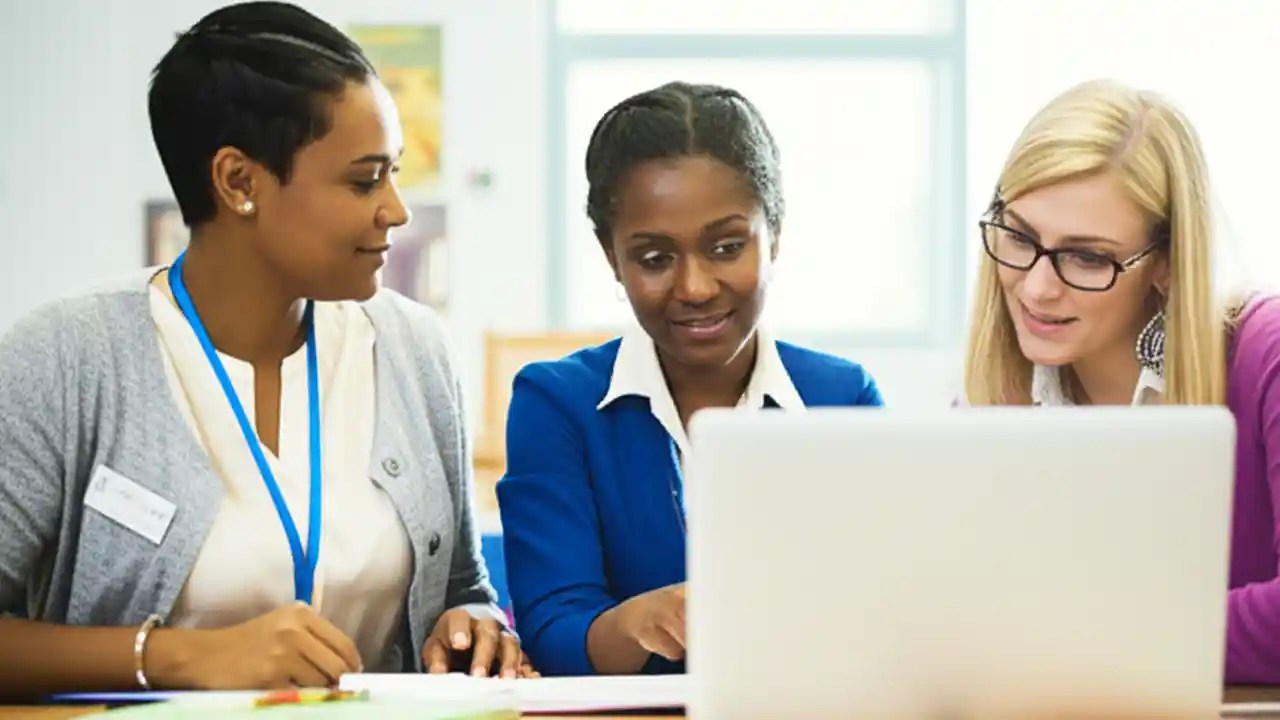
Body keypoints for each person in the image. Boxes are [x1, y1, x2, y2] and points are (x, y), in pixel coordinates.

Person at [0, 1, 529, 697]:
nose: (396, 209)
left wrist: (474, 624)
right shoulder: (66, 362)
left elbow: (463, 584)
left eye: (395, 173)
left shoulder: (414, 351)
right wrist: (182, 657)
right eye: (364, 179)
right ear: (239, 182)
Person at [497, 81, 884, 676]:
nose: (696, 287)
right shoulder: (557, 402)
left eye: (727, 247)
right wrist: (637, 622)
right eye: (654, 259)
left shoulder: (843, 397)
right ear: (611, 258)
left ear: (773, 236)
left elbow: (884, 609)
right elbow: (552, 629)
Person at [963, 78, 1280, 682]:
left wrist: (1097, 641)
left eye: (1087, 257)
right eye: (1020, 237)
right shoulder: (991, 405)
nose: (1036, 287)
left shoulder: (1266, 358)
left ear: (1164, 263)